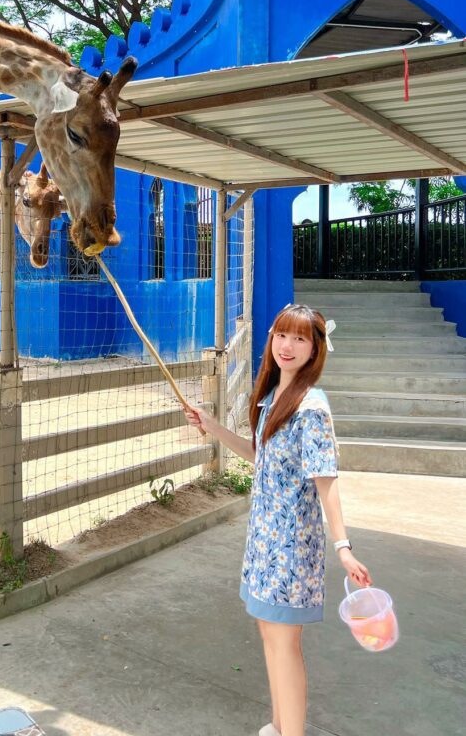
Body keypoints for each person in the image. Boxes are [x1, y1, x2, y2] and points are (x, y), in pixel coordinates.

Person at [184, 304, 372, 736]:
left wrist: (343, 547)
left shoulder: (312, 408)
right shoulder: (272, 398)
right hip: (264, 541)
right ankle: (278, 724)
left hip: (291, 547)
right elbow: (261, 458)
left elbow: (326, 481)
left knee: (285, 645)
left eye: (300, 338)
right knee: (270, 638)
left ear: (314, 350)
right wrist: (213, 427)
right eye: (282, 335)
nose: (287, 346)